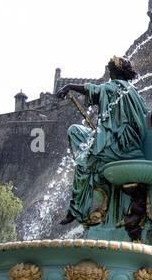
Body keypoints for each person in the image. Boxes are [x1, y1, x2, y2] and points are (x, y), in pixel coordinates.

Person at [56, 57, 147, 226]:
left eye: (110, 69)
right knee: (76, 131)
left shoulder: (114, 87)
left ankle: (75, 209)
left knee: (83, 163)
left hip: (115, 147)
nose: (109, 72)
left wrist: (70, 86)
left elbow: (94, 89)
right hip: (127, 143)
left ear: (115, 72)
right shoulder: (133, 92)